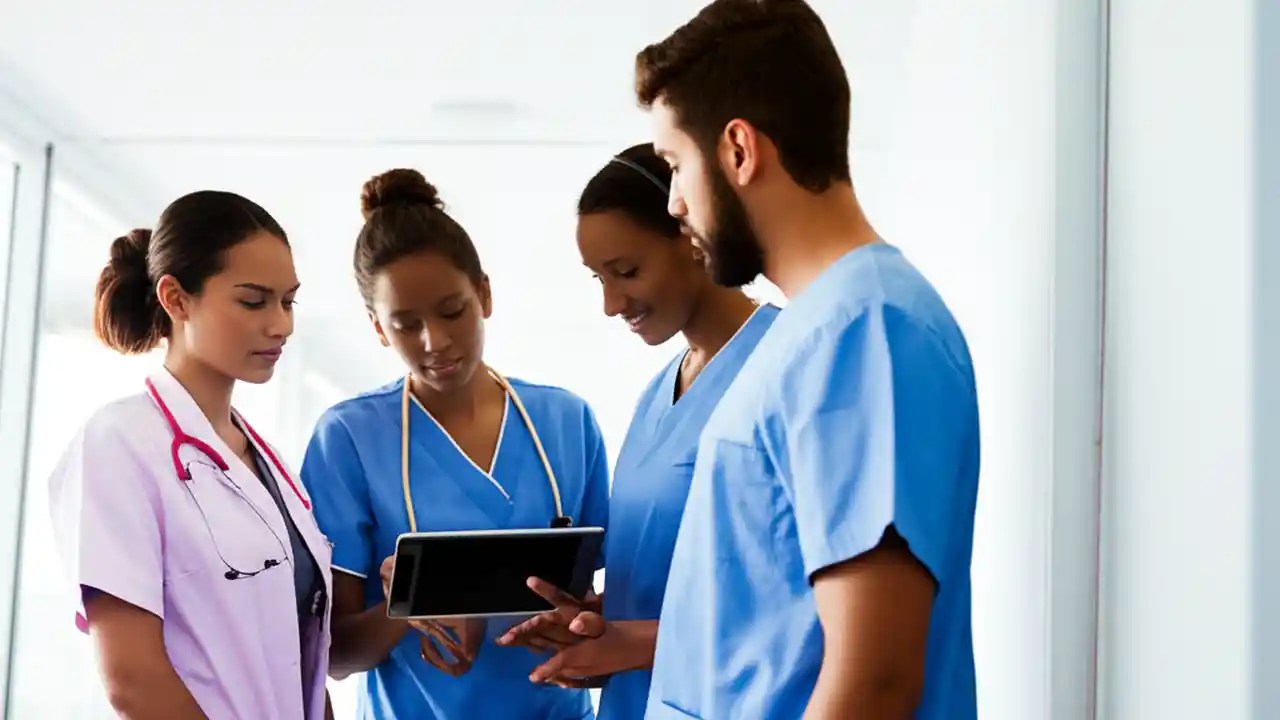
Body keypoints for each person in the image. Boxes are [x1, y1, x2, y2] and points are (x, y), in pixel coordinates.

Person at [633, 1, 982, 718]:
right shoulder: (813, 330)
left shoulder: (869, 331)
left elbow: (873, 681)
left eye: (674, 165)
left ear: (738, 150)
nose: (673, 202)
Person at [299, 168, 610, 720]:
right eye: (404, 324)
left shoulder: (565, 423)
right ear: (376, 327)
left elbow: (605, 614)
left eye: (452, 311)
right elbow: (336, 656)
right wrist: (411, 604)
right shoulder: (349, 439)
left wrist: (576, 628)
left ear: (484, 294)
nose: (434, 342)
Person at [494, 143, 779, 719]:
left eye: (626, 272)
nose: (610, 302)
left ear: (693, 237)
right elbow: (674, 569)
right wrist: (598, 620)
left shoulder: (784, 366)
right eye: (598, 277)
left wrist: (640, 644)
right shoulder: (659, 392)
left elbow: (809, 600)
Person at [48, 191, 333, 719]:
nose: (282, 325)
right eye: (253, 301)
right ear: (176, 299)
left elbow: (301, 663)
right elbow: (132, 680)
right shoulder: (120, 443)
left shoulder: (266, 463)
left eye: (288, 301)